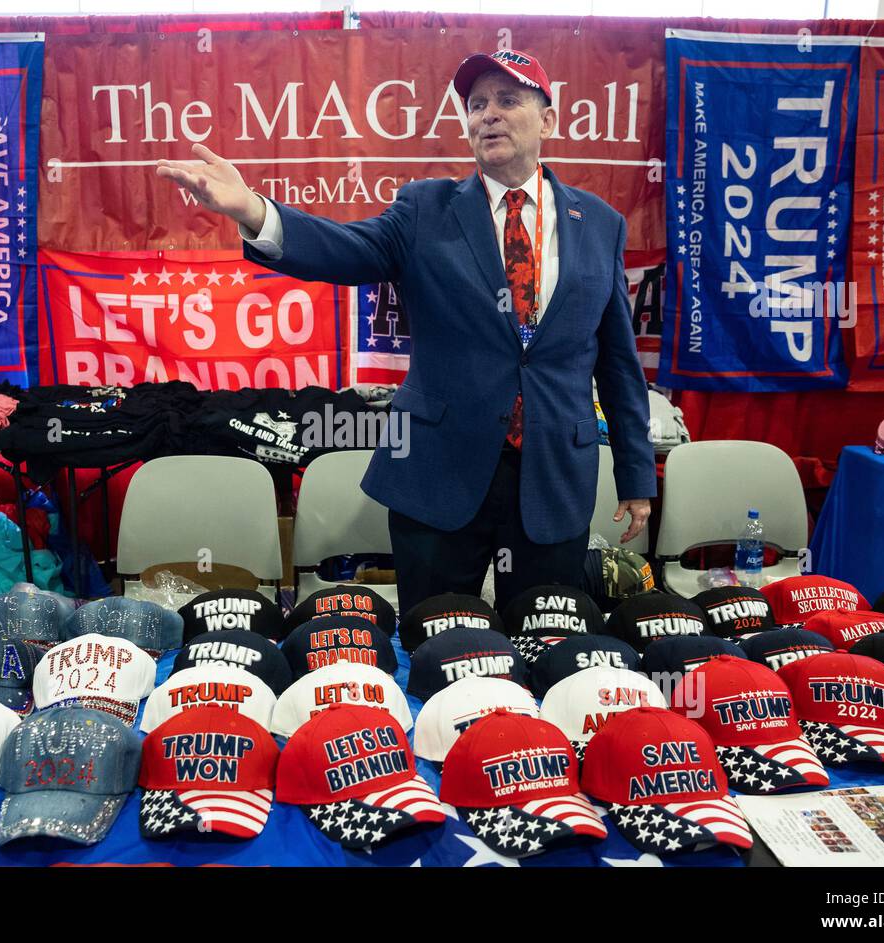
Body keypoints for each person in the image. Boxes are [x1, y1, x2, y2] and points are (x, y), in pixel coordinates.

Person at [157, 49, 656, 614]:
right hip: (438, 476)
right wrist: (251, 209)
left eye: (507, 100)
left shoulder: (599, 225)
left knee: (547, 638)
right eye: (476, 104)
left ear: (547, 119)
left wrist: (636, 471)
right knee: (437, 639)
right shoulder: (426, 209)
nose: (487, 115)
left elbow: (618, 363)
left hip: (552, 480)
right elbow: (346, 250)